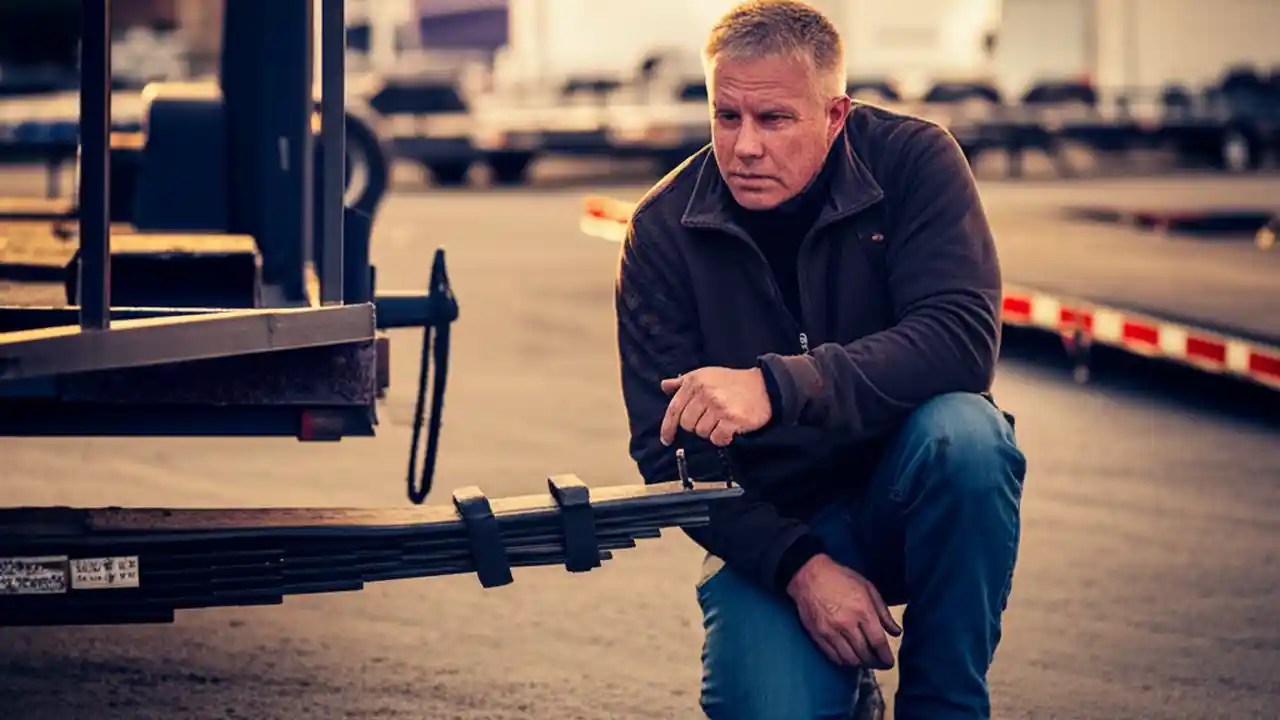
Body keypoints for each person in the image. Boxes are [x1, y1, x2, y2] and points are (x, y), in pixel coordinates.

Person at [612, 1, 1027, 718]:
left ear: (835, 116)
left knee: (970, 438)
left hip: (908, 495)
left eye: (773, 120)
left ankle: (945, 705)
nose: (744, 146)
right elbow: (668, 454)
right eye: (725, 116)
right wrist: (800, 568)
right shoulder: (662, 232)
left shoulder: (914, 162)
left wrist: (778, 387)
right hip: (777, 523)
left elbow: (961, 340)